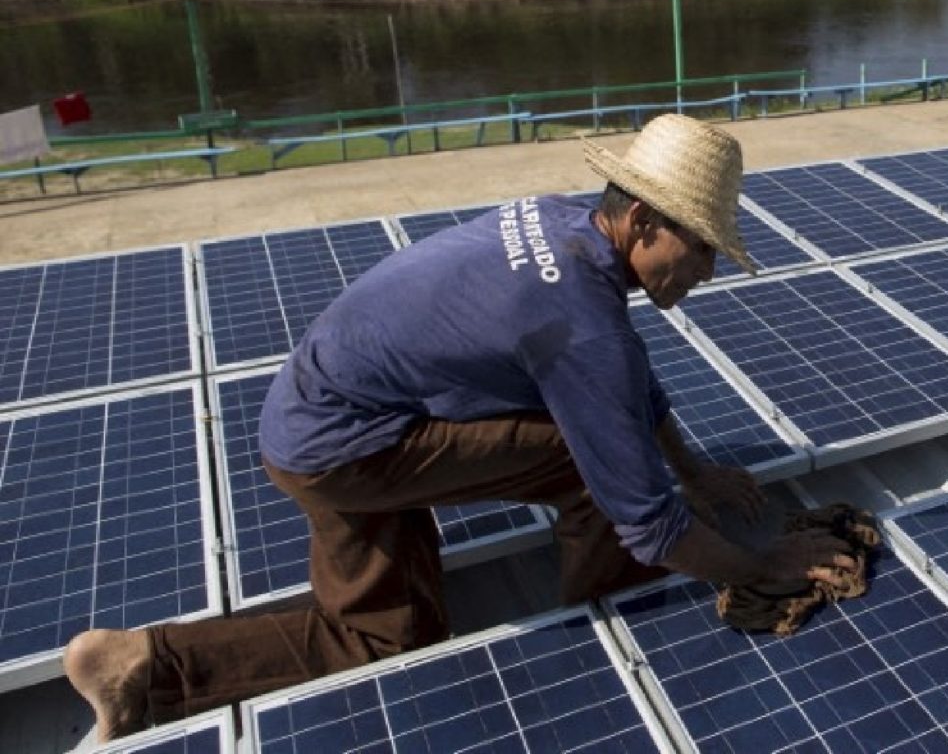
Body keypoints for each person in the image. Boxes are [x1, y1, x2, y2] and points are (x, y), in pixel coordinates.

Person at [64, 113, 853, 744]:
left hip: (308, 421)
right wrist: (757, 564)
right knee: (600, 464)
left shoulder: (567, 224)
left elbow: (625, 377)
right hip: (353, 451)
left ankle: (141, 663)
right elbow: (645, 517)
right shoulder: (580, 320)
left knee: (388, 640)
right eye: (703, 247)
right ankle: (598, 618)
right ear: (644, 219)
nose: (708, 271)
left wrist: (694, 467)